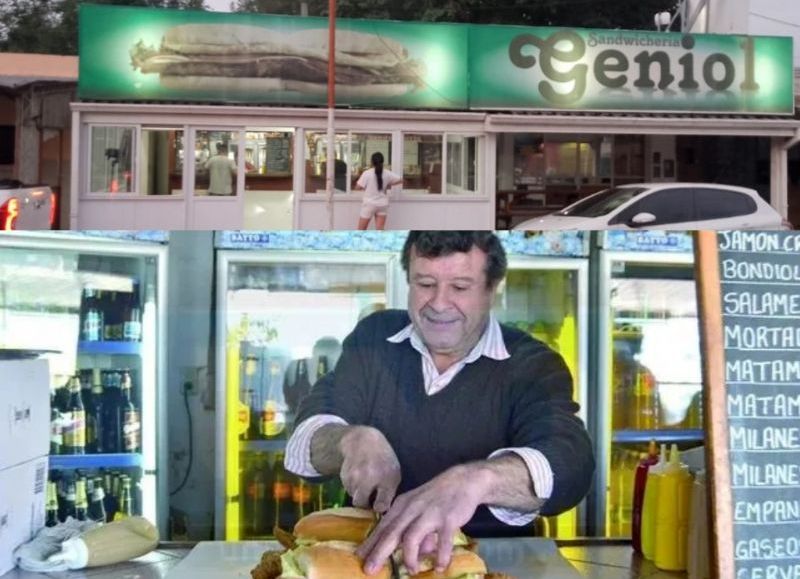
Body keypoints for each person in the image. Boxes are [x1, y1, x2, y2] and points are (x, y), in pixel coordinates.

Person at [284, 231, 594, 576]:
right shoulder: (374, 339)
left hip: (491, 563)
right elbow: (306, 439)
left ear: (492, 290)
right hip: (371, 559)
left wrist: (477, 480)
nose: (439, 303)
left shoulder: (531, 364)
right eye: (425, 284)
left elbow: (572, 464)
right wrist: (349, 439)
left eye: (460, 287)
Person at [355, 152, 402, 230]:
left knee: (361, 230)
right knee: (380, 230)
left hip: (369, 204)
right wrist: (388, 184)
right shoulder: (387, 173)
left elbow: (357, 187)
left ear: (371, 162)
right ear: (382, 162)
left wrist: (366, 187)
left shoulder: (367, 173)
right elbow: (400, 180)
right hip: (382, 204)